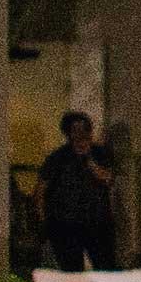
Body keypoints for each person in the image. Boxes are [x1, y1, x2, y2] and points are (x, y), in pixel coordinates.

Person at [36, 110, 118, 273]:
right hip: (66, 224)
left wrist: (89, 159)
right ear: (68, 133)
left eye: (84, 129)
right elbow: (40, 191)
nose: (81, 134)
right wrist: (43, 222)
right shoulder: (57, 157)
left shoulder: (99, 153)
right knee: (72, 271)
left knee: (105, 267)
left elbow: (107, 178)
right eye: (76, 130)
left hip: (98, 223)